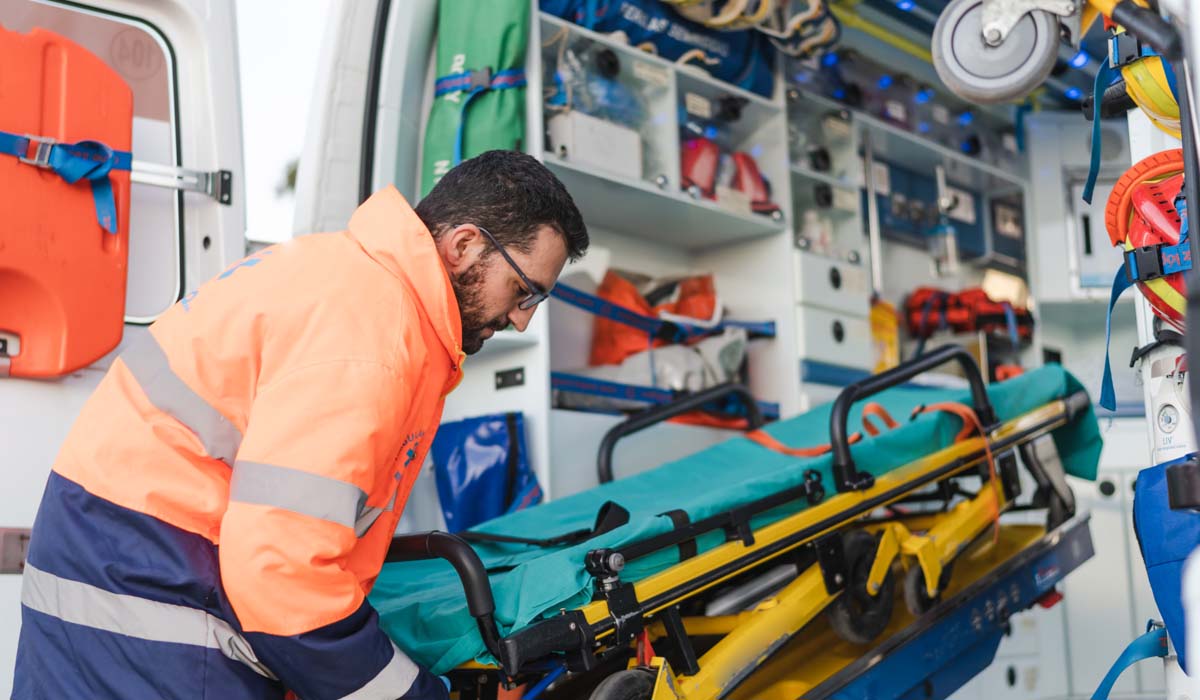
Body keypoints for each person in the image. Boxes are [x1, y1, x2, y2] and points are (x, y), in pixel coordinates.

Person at [12, 150, 588, 699]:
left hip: (114, 586)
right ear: (463, 245)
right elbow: (282, 573)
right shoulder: (371, 334)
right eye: (523, 290)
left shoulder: (344, 277)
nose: (520, 319)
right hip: (152, 613)